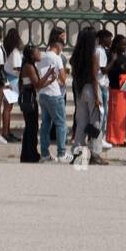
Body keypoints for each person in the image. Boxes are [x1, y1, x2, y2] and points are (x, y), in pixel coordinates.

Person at [69, 28, 108, 166]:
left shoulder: (76, 55)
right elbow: (95, 77)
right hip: (91, 89)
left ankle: (77, 152)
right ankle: (94, 152)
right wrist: (97, 97)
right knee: (96, 120)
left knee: (81, 122)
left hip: (80, 89)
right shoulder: (94, 54)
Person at [37, 29, 71, 162]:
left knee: (45, 124)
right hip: (54, 94)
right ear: (58, 45)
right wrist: (63, 74)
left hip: (43, 93)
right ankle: (62, 153)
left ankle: (45, 153)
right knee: (61, 123)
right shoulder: (57, 58)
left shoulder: (42, 56)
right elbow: (63, 79)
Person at [18, 44, 56, 162]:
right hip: (28, 98)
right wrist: (48, 74)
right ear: (31, 55)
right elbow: (38, 84)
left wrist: (49, 82)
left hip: (30, 96)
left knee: (31, 126)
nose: (39, 54)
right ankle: (31, 155)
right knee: (31, 127)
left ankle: (28, 155)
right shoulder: (29, 66)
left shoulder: (30, 65)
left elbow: (38, 85)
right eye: (37, 52)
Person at [105, 34, 126, 148]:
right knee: (115, 115)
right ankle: (113, 138)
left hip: (124, 88)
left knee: (122, 116)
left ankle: (120, 137)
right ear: (117, 44)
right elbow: (111, 71)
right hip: (116, 87)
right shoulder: (112, 55)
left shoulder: (123, 56)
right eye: (123, 44)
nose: (125, 46)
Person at [2, 28, 23, 144]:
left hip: (8, 79)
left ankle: (7, 131)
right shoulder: (15, 52)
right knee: (7, 108)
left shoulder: (7, 50)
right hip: (12, 81)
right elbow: (17, 68)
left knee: (7, 108)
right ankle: (5, 132)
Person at [96, 29, 114, 147]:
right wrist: (113, 60)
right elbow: (104, 70)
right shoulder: (100, 51)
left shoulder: (100, 50)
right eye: (109, 38)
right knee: (102, 114)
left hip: (101, 84)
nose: (110, 41)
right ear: (103, 39)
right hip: (101, 84)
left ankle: (99, 137)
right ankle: (100, 138)